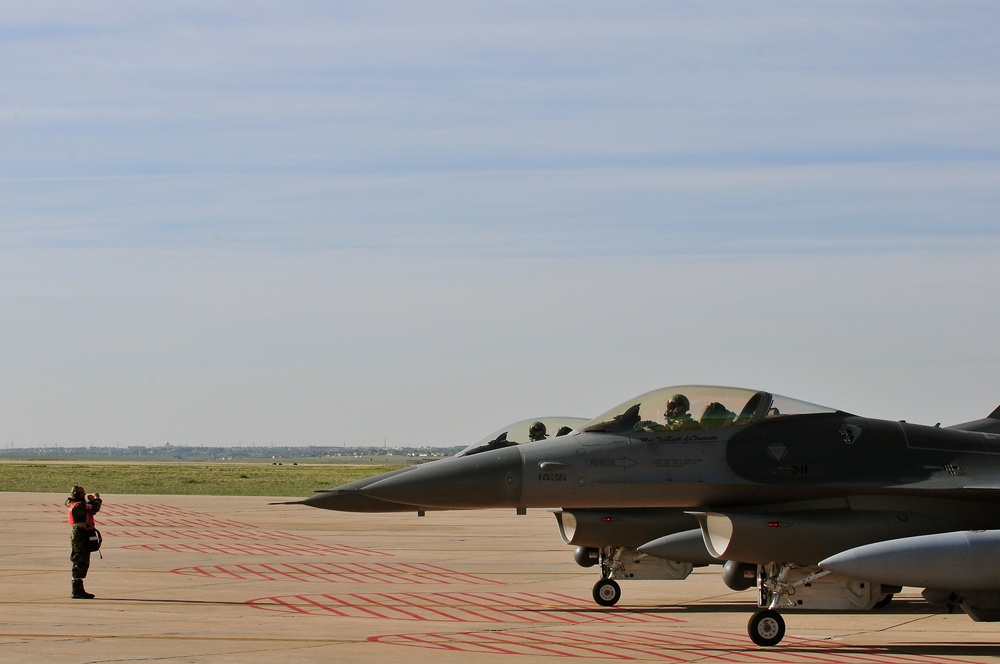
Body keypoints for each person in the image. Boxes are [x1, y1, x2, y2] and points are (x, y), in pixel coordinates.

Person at [66, 485, 102, 599]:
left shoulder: (73, 503)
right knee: (80, 559)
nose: (84, 495)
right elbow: (94, 508)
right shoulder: (79, 506)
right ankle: (76, 589)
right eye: (82, 493)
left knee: (84, 559)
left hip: (84, 533)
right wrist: (96, 499)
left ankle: (79, 588)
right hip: (81, 534)